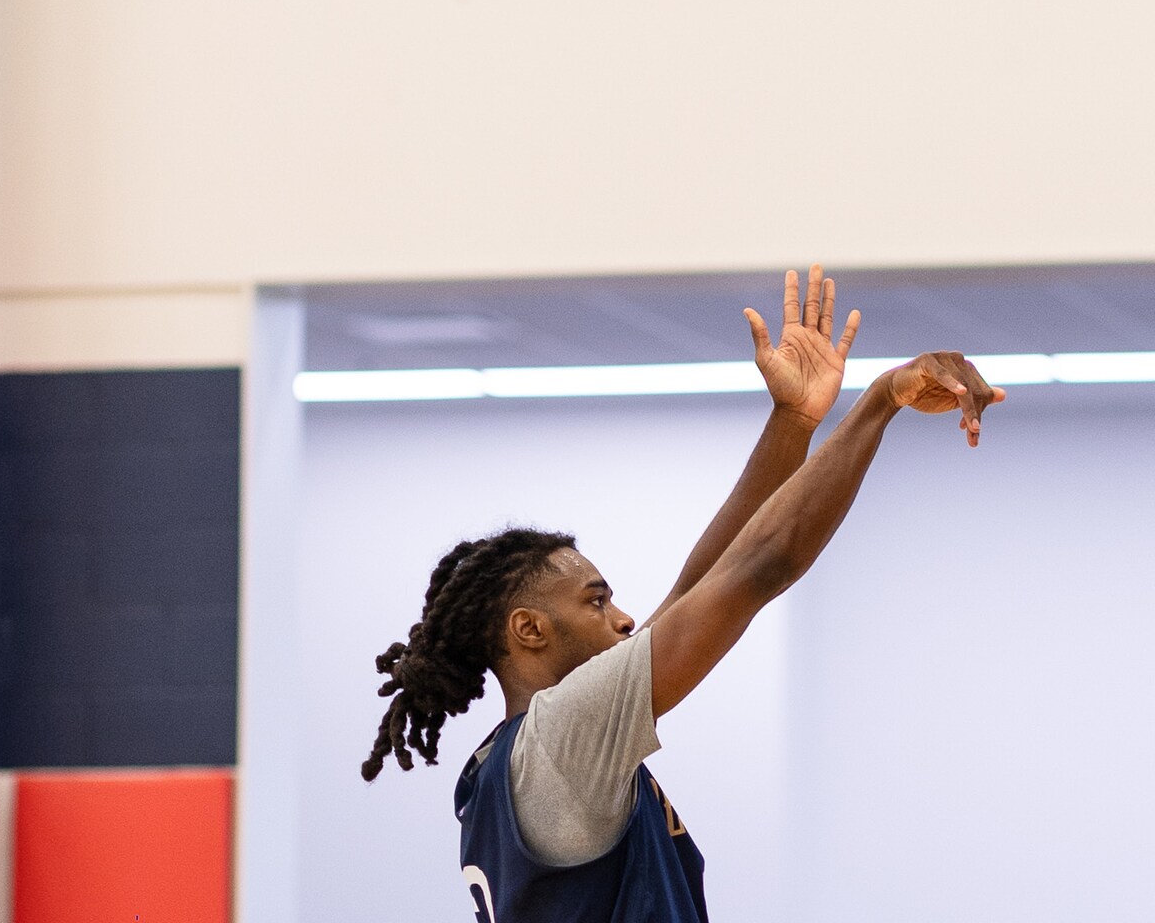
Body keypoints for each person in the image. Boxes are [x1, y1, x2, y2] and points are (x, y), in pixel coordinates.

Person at [361, 266, 1006, 922]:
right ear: (530, 629)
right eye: (594, 601)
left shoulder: (513, 759)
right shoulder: (561, 739)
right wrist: (879, 403)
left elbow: (706, 582)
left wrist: (793, 420)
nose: (625, 617)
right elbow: (759, 566)